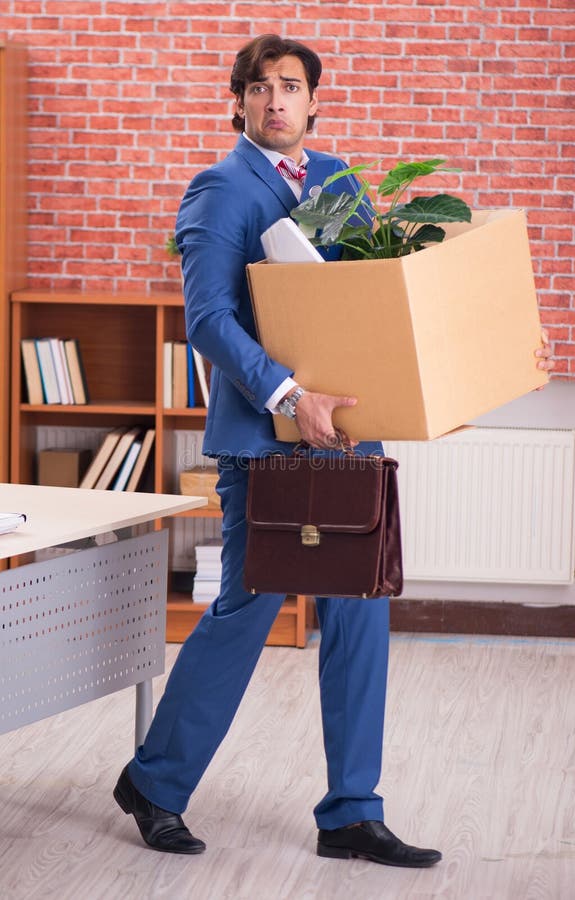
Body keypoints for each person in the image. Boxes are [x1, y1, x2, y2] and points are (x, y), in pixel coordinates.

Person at [113, 34, 555, 866]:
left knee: (361, 614)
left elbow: (376, 306)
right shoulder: (220, 187)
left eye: (290, 86)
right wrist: (288, 394)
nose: (275, 99)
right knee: (248, 615)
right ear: (237, 102)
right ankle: (155, 781)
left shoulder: (339, 182)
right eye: (259, 87)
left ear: (314, 101)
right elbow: (209, 317)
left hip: (350, 437)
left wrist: (469, 374)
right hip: (269, 440)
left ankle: (351, 811)